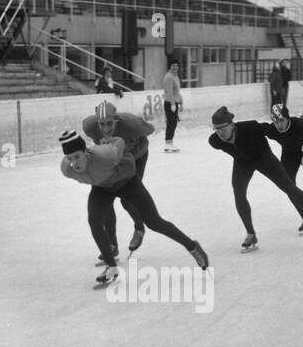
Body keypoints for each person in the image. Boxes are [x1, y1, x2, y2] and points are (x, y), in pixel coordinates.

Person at [60, 130, 208, 288]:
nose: (74, 163)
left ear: (85, 152)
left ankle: (192, 246)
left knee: (154, 222)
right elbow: (77, 168)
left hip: (126, 181)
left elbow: (120, 142)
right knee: (94, 221)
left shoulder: (104, 154)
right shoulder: (67, 169)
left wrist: (112, 139)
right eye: (69, 158)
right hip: (102, 188)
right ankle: (111, 268)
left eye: (77, 156)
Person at [207, 105, 303, 251]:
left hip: (264, 158)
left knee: (288, 186)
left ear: (232, 125)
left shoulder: (251, 127)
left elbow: (275, 130)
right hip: (242, 162)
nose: (219, 133)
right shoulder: (215, 141)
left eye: (222, 128)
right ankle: (251, 234)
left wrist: (296, 134)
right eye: (216, 129)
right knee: (238, 192)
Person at [83, 101, 153, 261]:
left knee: (127, 200)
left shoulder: (131, 124)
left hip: (137, 155)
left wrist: (131, 145)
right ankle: (112, 246)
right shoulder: (90, 126)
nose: (106, 129)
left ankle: (139, 228)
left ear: (116, 121)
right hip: (113, 157)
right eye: (102, 124)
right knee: (106, 200)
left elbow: (150, 129)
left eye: (110, 123)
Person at [162, 59, 183, 152]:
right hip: (170, 103)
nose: (175, 67)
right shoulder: (169, 77)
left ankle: (170, 142)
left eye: (176, 66)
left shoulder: (175, 76)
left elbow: (177, 91)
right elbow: (169, 91)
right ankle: (167, 143)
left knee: (173, 123)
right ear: (170, 67)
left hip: (175, 102)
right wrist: (172, 104)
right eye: (173, 66)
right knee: (171, 123)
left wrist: (181, 102)